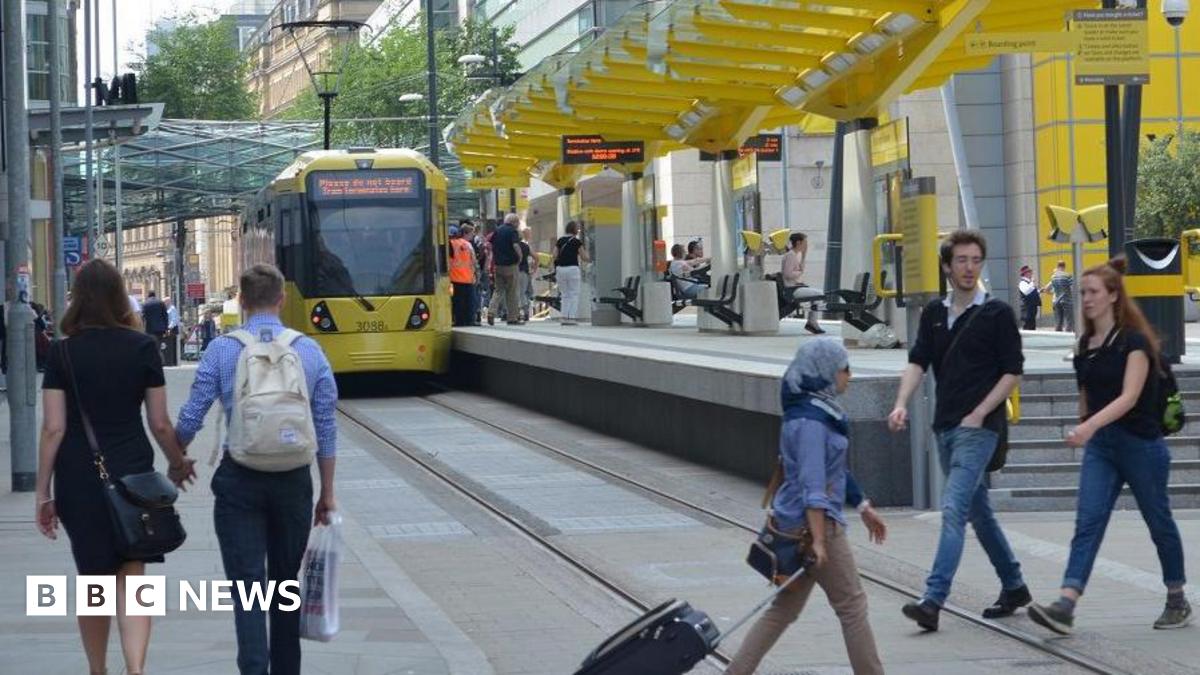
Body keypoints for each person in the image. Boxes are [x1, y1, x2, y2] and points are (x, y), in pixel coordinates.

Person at [35, 258, 195, 675]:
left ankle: (97, 670)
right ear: (120, 296)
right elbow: (159, 423)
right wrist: (178, 462)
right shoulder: (142, 347)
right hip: (134, 478)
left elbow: (53, 428)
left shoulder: (62, 352)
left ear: (78, 298)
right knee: (133, 573)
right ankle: (136, 669)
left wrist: (41, 492)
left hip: (79, 479)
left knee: (93, 580)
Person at [176, 264, 338, 675]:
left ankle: (252, 668)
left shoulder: (222, 349)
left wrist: (175, 457)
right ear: (282, 299)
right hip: (293, 481)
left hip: (240, 479)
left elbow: (191, 417)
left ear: (242, 302)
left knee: (248, 588)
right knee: (285, 586)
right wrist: (327, 493)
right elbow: (326, 426)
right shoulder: (309, 350)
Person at [1028, 262, 1190, 635]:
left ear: (1113, 296)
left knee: (1158, 522)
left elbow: (1130, 397)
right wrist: (1085, 426)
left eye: (1093, 292)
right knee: (1087, 523)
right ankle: (1065, 604)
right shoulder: (1085, 346)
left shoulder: (1134, 341)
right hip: (1102, 447)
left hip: (1141, 444)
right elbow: (1086, 396)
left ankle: (1177, 597)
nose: (1086, 299)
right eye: (1083, 292)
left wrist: (1087, 426)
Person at [888, 229, 1029, 631]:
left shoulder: (996, 313)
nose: (969, 268)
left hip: (979, 429)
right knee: (978, 512)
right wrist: (901, 404)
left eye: (975, 260)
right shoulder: (934, 314)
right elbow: (918, 362)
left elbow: (1012, 371)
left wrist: (981, 412)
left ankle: (933, 600)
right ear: (948, 267)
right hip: (946, 428)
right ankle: (1015, 586)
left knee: (953, 511)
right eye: (962, 260)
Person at [725, 338, 885, 675]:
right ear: (825, 372)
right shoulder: (811, 421)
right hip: (813, 525)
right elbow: (813, 485)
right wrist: (819, 541)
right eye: (844, 370)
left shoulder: (811, 410)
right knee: (852, 606)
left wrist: (863, 504)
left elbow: (834, 470)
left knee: (784, 609)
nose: (849, 377)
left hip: (800, 523)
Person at [780, 232, 826, 335]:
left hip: (794, 287)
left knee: (818, 294)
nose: (807, 245)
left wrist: (804, 255)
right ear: (798, 242)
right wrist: (799, 272)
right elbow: (788, 274)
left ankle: (812, 322)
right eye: (805, 242)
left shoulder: (793, 255)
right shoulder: (790, 256)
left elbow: (799, 269)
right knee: (819, 294)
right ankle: (812, 322)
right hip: (791, 290)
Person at [487, 213, 525, 326]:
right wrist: (520, 257)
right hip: (510, 266)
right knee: (511, 292)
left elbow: (490, 245)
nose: (518, 225)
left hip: (498, 266)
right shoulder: (513, 231)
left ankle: (491, 311)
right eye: (517, 223)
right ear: (514, 222)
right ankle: (512, 318)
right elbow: (516, 246)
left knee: (498, 290)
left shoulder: (497, 231)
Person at [555, 221, 589, 326]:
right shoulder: (576, 241)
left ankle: (564, 317)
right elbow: (584, 257)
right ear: (574, 230)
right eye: (577, 228)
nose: (578, 230)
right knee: (574, 293)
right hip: (572, 269)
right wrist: (592, 258)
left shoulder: (560, 241)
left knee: (565, 294)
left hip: (560, 269)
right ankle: (572, 317)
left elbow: (554, 255)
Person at [448, 225, 478, 327]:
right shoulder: (467, 244)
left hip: (455, 278)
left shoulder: (450, 244)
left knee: (458, 302)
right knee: (470, 301)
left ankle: (459, 321)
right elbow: (474, 261)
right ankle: (470, 320)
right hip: (468, 278)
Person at [1042, 260, 1075, 332]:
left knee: (1058, 321)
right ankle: (1067, 337)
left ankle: (1058, 337)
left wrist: (1052, 293)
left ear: (1057, 266)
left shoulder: (1053, 277)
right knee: (1069, 321)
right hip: (1067, 301)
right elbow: (1072, 289)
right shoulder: (1068, 276)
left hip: (1056, 301)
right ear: (1064, 266)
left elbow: (1046, 289)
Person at [518, 227, 536, 321]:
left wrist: (534, 269)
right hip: (525, 271)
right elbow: (536, 257)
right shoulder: (525, 246)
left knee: (521, 292)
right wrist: (534, 269)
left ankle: (523, 311)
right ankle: (525, 311)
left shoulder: (515, 246)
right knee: (524, 292)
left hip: (518, 271)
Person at [1018, 265, 1041, 330]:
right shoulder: (1022, 283)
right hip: (1027, 309)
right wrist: (1032, 282)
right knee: (1028, 327)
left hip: (1031, 309)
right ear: (1026, 273)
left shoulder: (1029, 283)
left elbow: (1032, 292)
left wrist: (1039, 291)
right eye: (1030, 272)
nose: (1031, 273)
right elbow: (1027, 292)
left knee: (1032, 327)